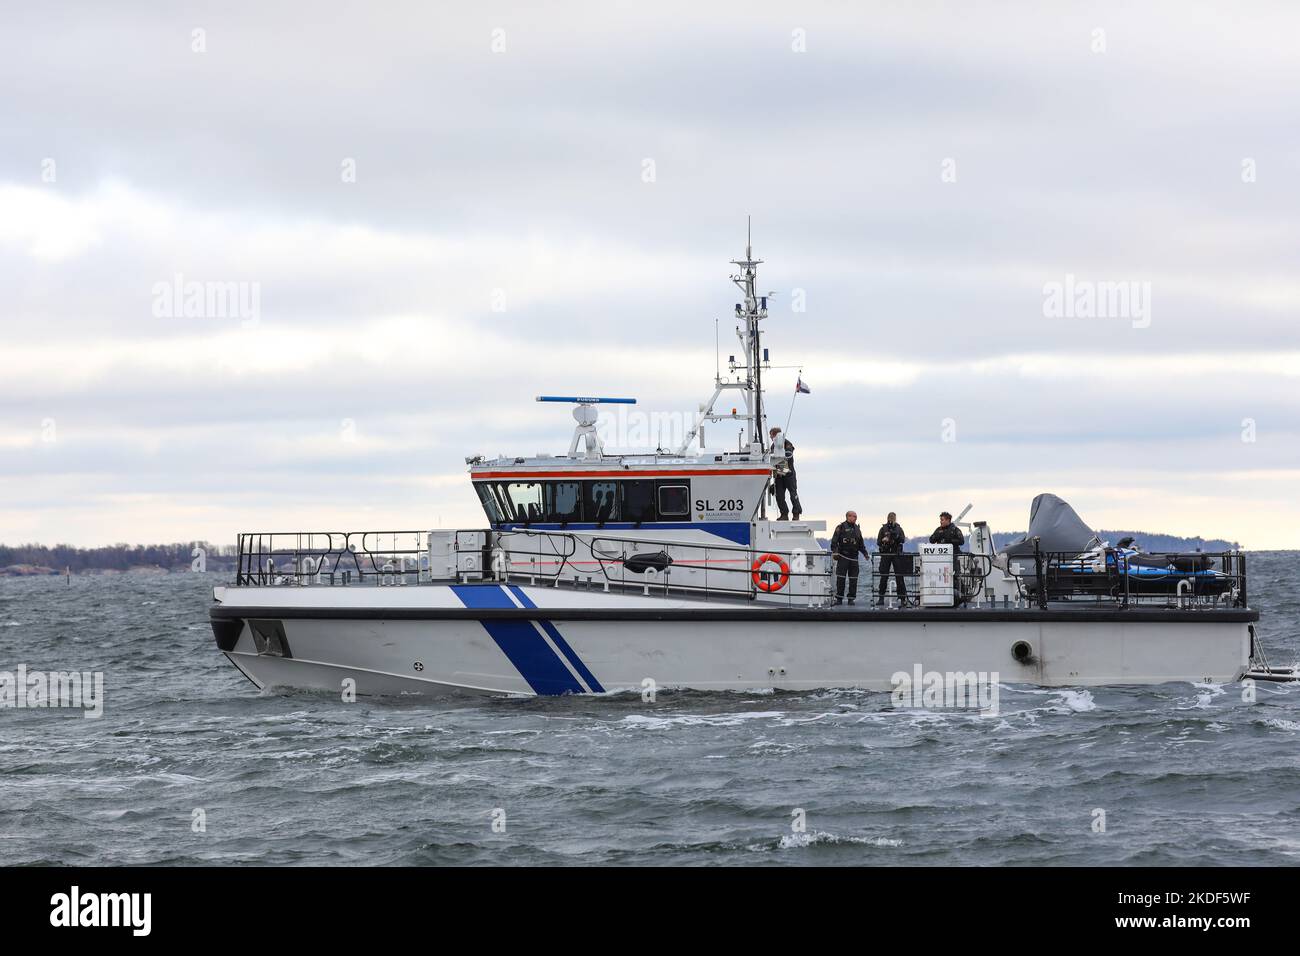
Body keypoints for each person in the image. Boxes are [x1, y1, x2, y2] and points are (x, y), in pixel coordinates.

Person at [830, 510, 869, 605]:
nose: (854, 518)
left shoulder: (857, 529)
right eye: (853, 516)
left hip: (854, 558)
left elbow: (861, 544)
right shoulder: (840, 527)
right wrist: (835, 552)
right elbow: (834, 542)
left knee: (853, 579)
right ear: (847, 517)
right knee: (841, 578)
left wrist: (865, 554)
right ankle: (839, 599)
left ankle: (851, 598)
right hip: (843, 556)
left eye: (856, 517)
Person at [769, 426, 802, 520]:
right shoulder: (773, 446)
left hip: (788, 474)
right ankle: (784, 514)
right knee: (779, 495)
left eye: (771, 436)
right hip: (779, 475)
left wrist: (779, 467)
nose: (771, 438)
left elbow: (788, 455)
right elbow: (772, 460)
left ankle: (796, 514)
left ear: (775, 435)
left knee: (793, 494)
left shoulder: (787, 443)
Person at [875, 511, 908, 605]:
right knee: (884, 576)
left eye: (892, 517)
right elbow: (878, 542)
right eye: (890, 517)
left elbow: (903, 540)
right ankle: (881, 598)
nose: (891, 519)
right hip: (886, 554)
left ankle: (902, 598)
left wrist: (895, 537)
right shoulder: (883, 529)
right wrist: (883, 540)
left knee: (899, 576)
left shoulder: (899, 528)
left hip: (896, 554)